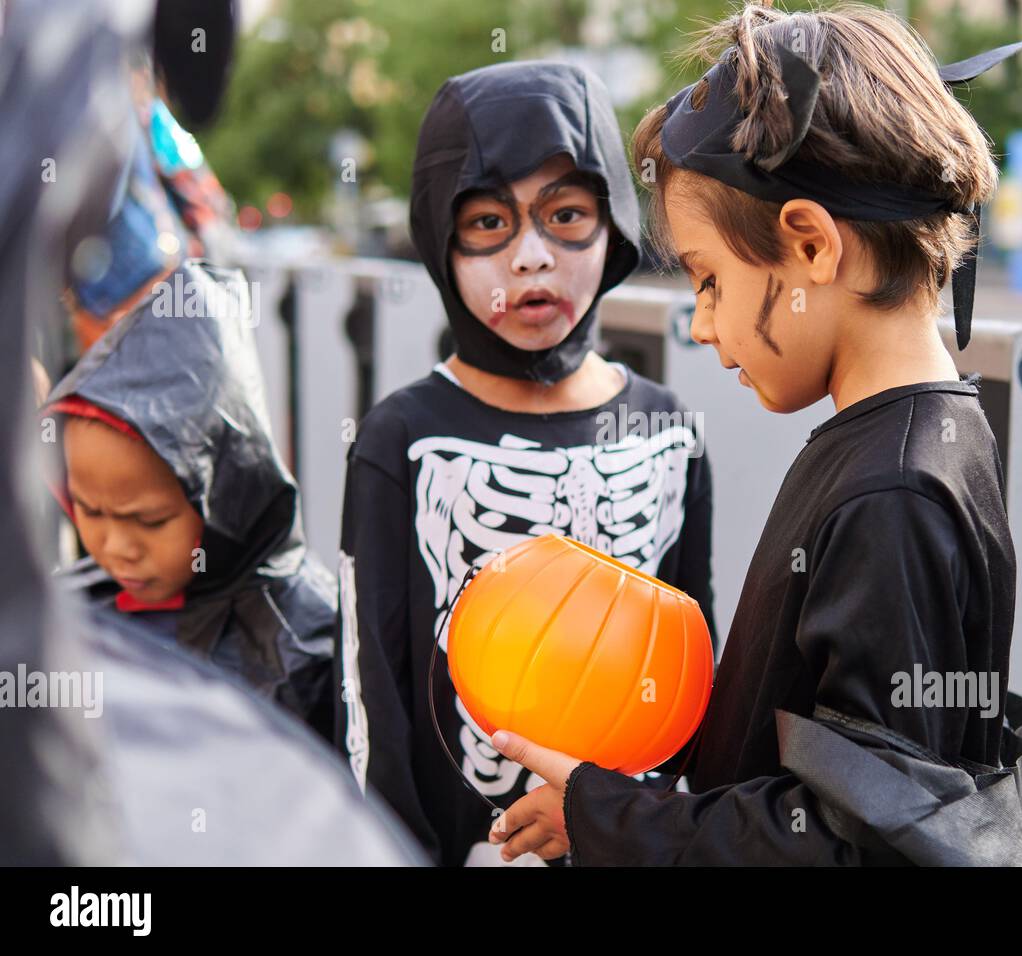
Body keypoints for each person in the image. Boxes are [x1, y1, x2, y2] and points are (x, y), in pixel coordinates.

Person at [487, 1, 1022, 866]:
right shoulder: (918, 440)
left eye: (709, 280)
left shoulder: (892, 493)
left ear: (812, 247)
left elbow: (860, 846)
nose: (701, 325)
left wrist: (606, 820)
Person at [334, 60, 717, 866]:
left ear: (614, 224)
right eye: (487, 223)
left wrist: (648, 828)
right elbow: (372, 701)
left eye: (566, 214)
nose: (531, 258)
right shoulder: (399, 437)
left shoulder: (667, 429)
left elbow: (694, 673)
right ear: (440, 236)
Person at [42, 260, 336, 738]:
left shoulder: (299, 647)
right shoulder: (72, 602)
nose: (116, 546)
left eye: (149, 520)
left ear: (226, 493)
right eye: (89, 510)